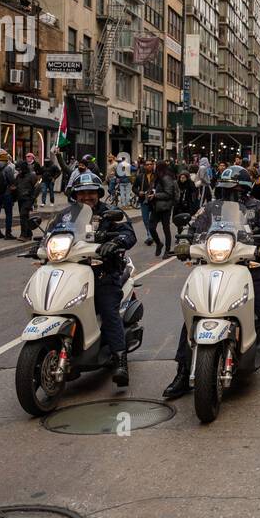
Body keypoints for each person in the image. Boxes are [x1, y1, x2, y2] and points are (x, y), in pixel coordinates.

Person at [163, 165, 260, 396]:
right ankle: (183, 372)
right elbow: (190, 226)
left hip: (250, 268)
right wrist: (184, 240)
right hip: (212, 265)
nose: (230, 193)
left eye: (235, 189)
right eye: (226, 189)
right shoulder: (209, 209)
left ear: (245, 189)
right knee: (194, 311)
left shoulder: (258, 208)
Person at [65, 172, 138, 386]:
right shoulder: (69, 215)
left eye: (90, 192)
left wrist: (116, 243)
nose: (86, 196)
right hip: (73, 270)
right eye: (81, 193)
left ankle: (119, 359)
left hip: (104, 271)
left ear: (98, 193)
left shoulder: (111, 213)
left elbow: (129, 235)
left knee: (107, 308)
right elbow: (54, 233)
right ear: (75, 195)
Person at [149, 160, 177, 257]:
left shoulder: (166, 178)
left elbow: (169, 194)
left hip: (165, 207)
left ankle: (167, 250)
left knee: (166, 229)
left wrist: (156, 195)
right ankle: (159, 243)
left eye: (155, 165)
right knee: (151, 227)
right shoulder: (157, 177)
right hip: (156, 207)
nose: (154, 167)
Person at [12, 155, 39, 239]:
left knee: (23, 215)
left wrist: (33, 198)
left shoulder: (31, 176)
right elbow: (15, 186)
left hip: (28, 198)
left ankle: (23, 235)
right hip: (21, 198)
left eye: (19, 169)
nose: (18, 171)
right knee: (24, 216)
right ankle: (28, 233)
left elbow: (37, 187)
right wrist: (14, 190)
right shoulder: (18, 177)